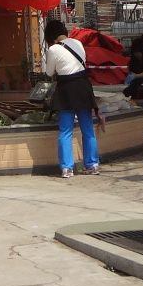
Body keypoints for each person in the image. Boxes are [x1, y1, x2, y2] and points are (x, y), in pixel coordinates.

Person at [44, 19, 99, 177]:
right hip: (83, 87)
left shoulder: (53, 49)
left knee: (66, 130)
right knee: (87, 129)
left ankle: (67, 168)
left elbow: (49, 73)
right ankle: (93, 164)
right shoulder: (78, 43)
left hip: (66, 90)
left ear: (50, 36)